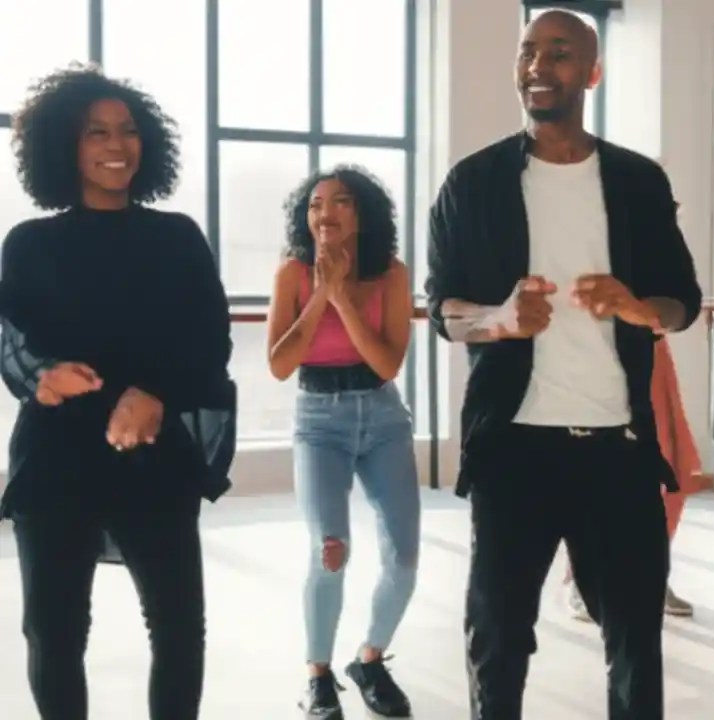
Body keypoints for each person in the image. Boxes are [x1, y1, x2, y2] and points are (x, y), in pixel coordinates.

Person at [424, 10, 702, 720]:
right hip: (514, 447)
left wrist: (642, 308)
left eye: (559, 52)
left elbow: (683, 300)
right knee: (498, 637)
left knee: (637, 641)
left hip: (619, 446)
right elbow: (443, 310)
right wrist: (499, 320)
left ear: (593, 72)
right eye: (528, 51)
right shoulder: (473, 182)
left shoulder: (638, 182)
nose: (538, 65)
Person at [0, 66, 234, 720]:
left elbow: (209, 343)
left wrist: (155, 394)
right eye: (96, 131)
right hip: (56, 462)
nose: (117, 144)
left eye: (129, 130)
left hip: (155, 457)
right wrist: (41, 376)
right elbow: (9, 337)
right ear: (63, 146)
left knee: (180, 630)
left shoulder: (178, 238)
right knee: (53, 633)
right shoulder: (29, 244)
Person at [267, 165, 419, 720]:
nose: (324, 213)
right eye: (314, 204)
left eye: (340, 202)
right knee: (329, 549)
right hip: (317, 420)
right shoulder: (291, 273)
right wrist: (319, 295)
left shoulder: (392, 275)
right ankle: (319, 674)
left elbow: (386, 362)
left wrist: (345, 300)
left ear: (363, 215)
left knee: (402, 559)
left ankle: (369, 659)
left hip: (382, 417)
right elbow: (280, 365)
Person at [564, 335, 702, 620]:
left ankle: (651, 573)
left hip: (651, 348)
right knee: (596, 469)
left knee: (669, 469)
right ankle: (582, 578)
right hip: (596, 349)